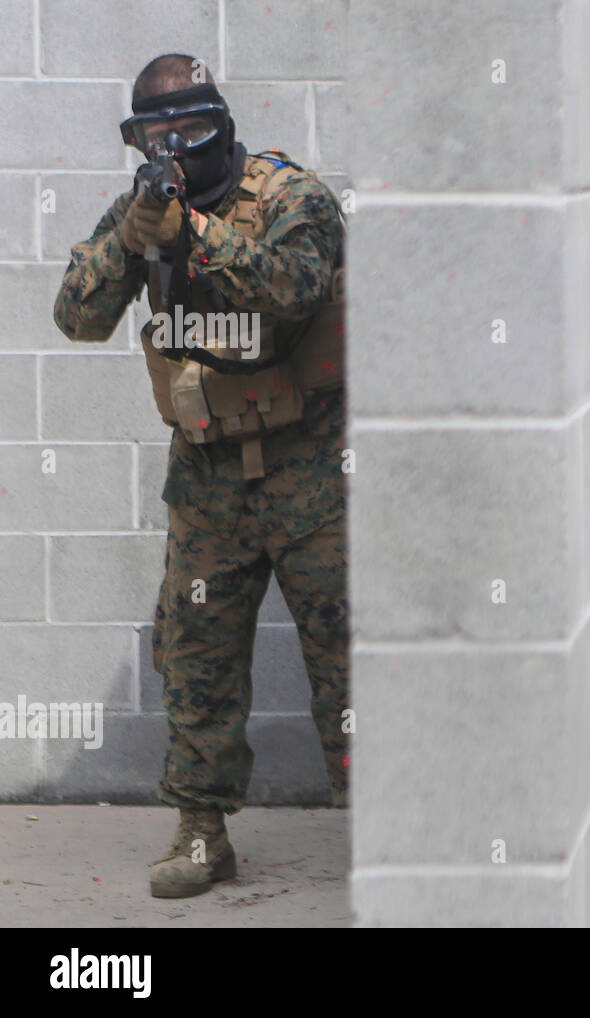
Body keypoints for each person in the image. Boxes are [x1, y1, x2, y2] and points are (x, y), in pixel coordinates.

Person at [53, 54, 348, 898]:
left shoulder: (294, 197)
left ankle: (389, 831)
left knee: (350, 661)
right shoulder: (147, 209)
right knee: (195, 660)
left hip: (313, 478)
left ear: (222, 123)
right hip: (208, 481)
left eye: (190, 130)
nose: (174, 148)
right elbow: (76, 315)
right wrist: (134, 236)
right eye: (154, 134)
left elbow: (293, 289)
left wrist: (196, 236)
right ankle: (201, 831)